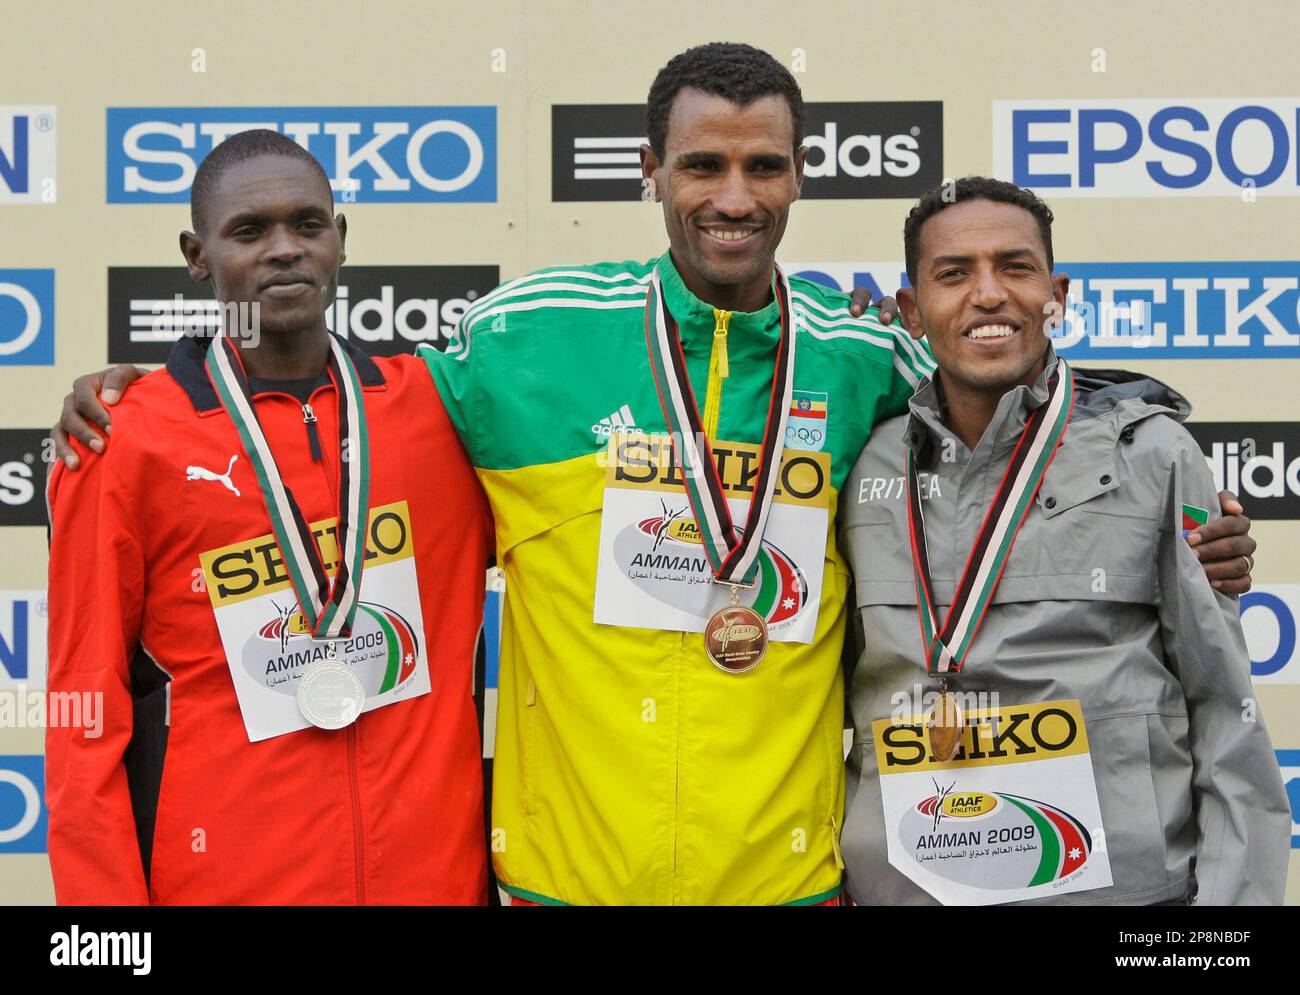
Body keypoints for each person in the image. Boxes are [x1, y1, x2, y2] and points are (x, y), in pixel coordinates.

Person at [50, 46, 1257, 906]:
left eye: (765, 168)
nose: (734, 199)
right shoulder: (520, 344)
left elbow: (997, 372)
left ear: (798, 177)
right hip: (564, 879)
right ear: (651, 170)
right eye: (702, 167)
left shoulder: (855, 359)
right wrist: (143, 395)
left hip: (786, 875)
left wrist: (1157, 464)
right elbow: (318, 409)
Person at [45, 130, 493, 904]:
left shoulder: (439, 410)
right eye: (249, 231)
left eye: (308, 225)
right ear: (196, 254)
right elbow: (83, 717)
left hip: (432, 882)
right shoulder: (126, 440)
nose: (284, 249)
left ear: (341, 239)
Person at [838, 176, 1289, 906]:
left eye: (1015, 268)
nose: (988, 294)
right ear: (912, 312)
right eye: (954, 274)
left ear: (1058, 295)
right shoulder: (863, 463)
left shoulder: (1154, 453)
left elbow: (1224, 713)